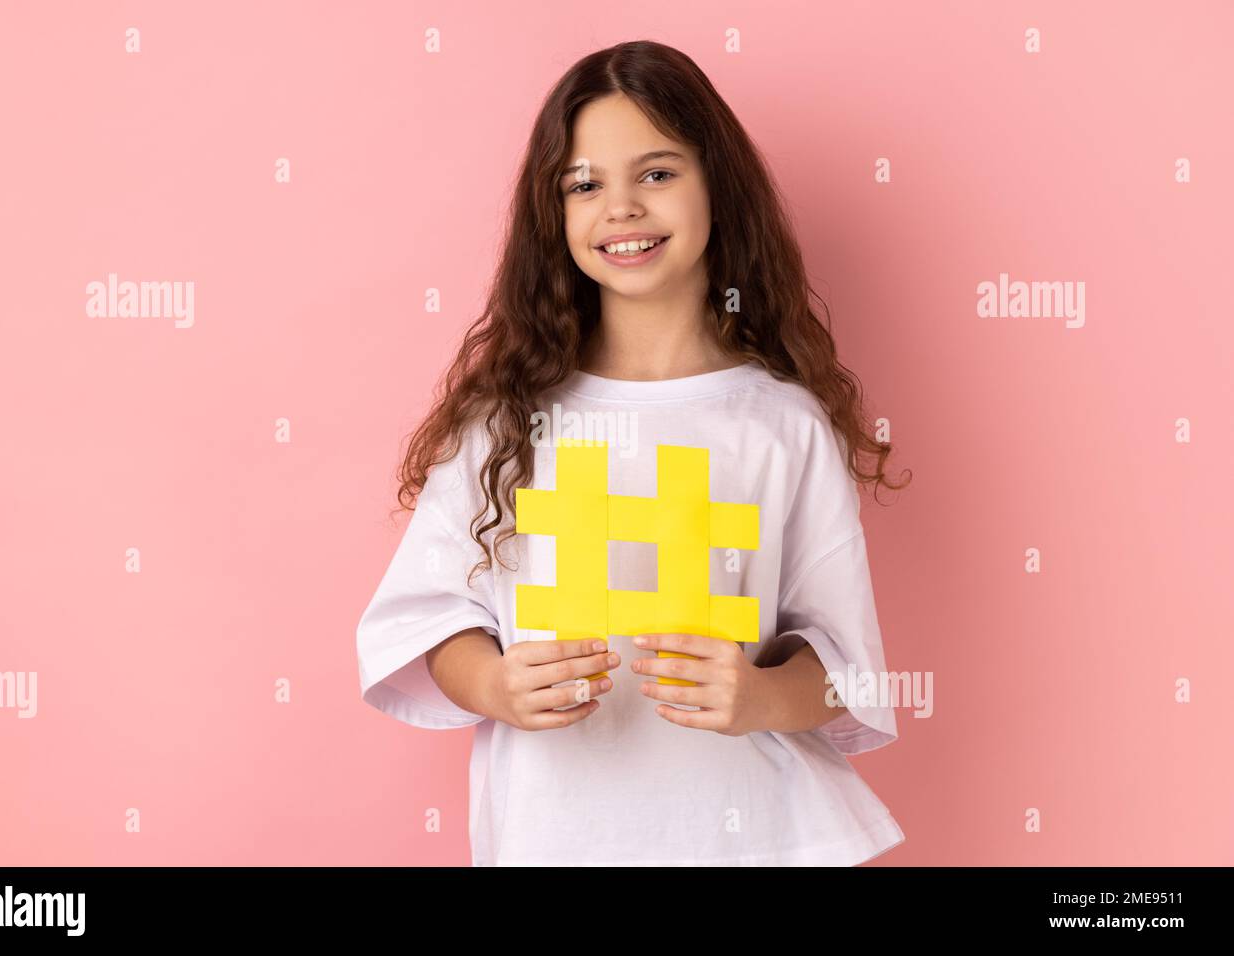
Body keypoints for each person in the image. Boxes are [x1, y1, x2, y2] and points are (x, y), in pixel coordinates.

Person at [356, 39, 912, 866]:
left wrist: (759, 695)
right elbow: (430, 621)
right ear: (557, 218)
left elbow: (843, 666)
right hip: (555, 837)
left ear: (716, 187)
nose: (621, 208)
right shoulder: (504, 420)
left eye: (656, 173)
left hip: (755, 833)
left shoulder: (782, 424)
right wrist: (495, 686)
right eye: (584, 185)